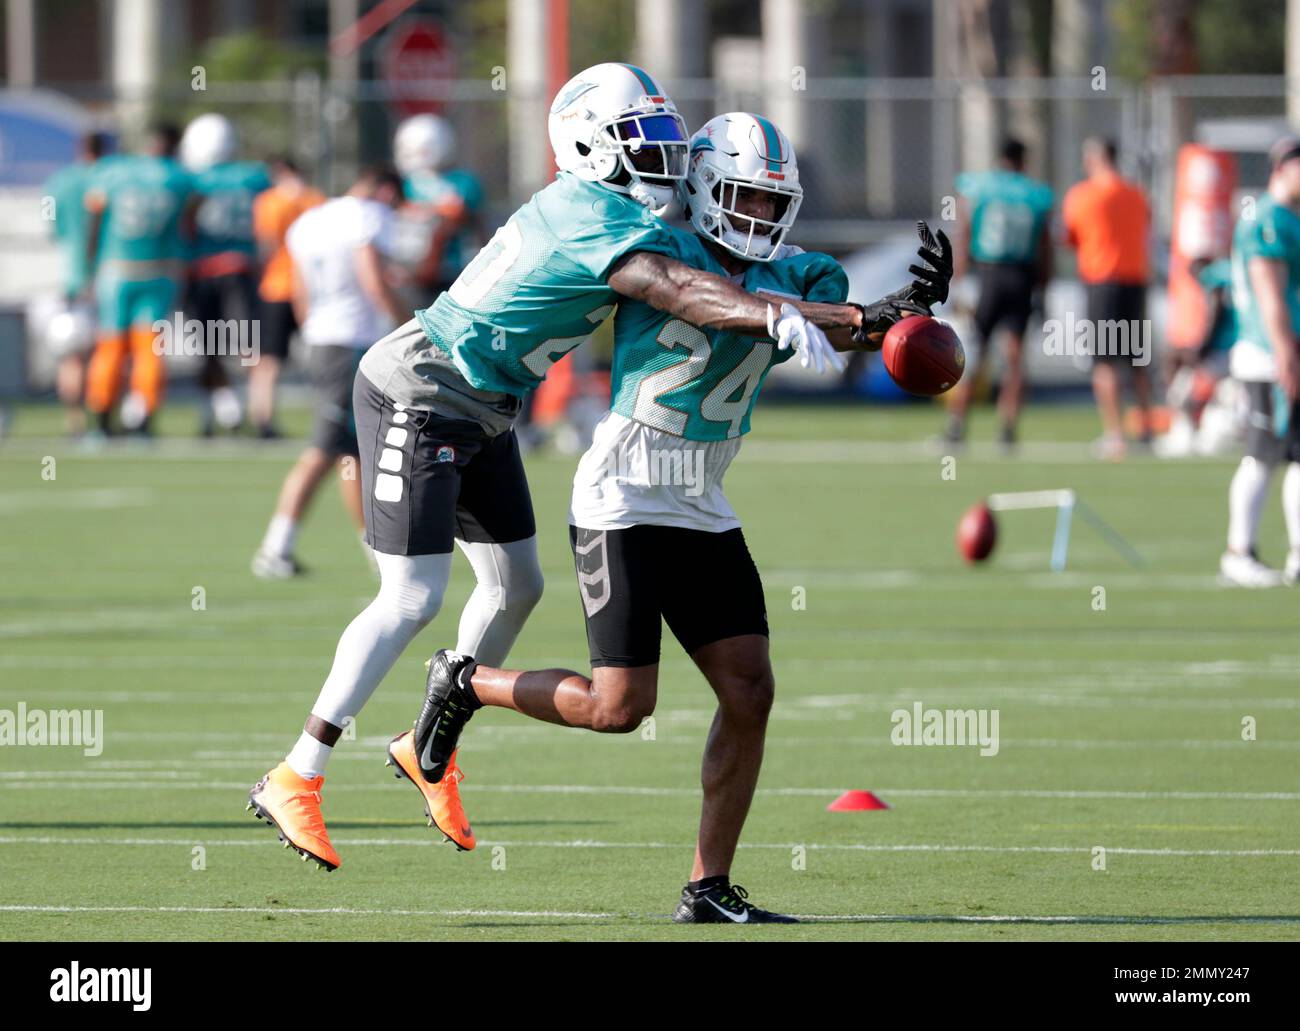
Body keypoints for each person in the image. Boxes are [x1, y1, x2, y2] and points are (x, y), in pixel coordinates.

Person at [246, 63, 926, 874]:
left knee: (517, 586)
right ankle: (297, 771)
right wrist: (798, 315)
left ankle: (431, 746)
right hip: (421, 386)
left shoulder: (634, 211)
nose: (662, 161)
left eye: (667, 144)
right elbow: (674, 286)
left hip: (488, 405)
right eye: (643, 143)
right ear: (587, 145)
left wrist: (872, 317)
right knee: (414, 594)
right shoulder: (587, 209)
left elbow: (722, 264)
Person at [391, 115, 951, 924]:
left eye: (771, 201)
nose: (758, 217)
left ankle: (708, 885)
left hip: (702, 502)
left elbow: (821, 320)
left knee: (750, 689)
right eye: (743, 197)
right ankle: (467, 678)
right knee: (621, 708)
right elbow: (723, 305)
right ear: (701, 191)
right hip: (623, 495)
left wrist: (894, 319)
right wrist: (812, 315)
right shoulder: (662, 253)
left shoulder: (806, 276)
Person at [252, 167, 407, 580]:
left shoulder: (311, 220)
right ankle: (275, 546)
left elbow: (299, 294)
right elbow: (373, 280)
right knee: (325, 450)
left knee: (352, 453)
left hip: (322, 339)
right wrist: (414, 325)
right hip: (351, 343)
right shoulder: (367, 217)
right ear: (386, 191)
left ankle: (374, 550)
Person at [1219, 136, 1300, 588]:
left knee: (1291, 457)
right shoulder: (1269, 219)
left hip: (1282, 350)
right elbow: (1269, 291)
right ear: (1282, 168)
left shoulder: (1286, 218)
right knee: (1263, 456)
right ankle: (1238, 551)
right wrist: (1285, 351)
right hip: (1268, 354)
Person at [82, 124, 193, 439]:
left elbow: (95, 217)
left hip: (116, 268)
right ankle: (143, 418)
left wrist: (90, 266)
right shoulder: (178, 177)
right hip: (160, 269)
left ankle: (102, 418)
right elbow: (190, 217)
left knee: (111, 345)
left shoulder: (113, 171)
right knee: (149, 349)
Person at [946, 137, 1053, 450]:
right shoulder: (1036, 194)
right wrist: (1044, 289)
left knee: (974, 353)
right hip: (1021, 276)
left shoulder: (979, 188)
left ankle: (956, 426)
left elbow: (964, 235)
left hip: (990, 276)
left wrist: (958, 280)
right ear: (1023, 161)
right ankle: (1007, 429)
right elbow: (1044, 247)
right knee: (1015, 358)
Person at [180, 113, 272, 436]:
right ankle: (254, 410)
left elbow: (183, 224)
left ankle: (220, 408)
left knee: (208, 346)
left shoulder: (190, 180)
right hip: (243, 269)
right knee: (250, 347)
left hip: (202, 271)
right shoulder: (254, 177)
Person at [1062, 137, 1152, 460]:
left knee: (1105, 361)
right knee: (1137, 361)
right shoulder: (1136, 194)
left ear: (1096, 158)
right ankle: (1146, 429)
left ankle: (1115, 435)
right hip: (1135, 282)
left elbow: (1070, 237)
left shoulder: (1082, 195)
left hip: (1102, 283)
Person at [250, 156, 325, 439]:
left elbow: (266, 244)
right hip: (310, 286)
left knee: (268, 359)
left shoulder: (270, 201)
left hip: (278, 285)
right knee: (320, 354)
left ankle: (263, 418)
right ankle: (327, 416)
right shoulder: (315, 200)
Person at [44, 131, 110, 437]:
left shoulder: (58, 181)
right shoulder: (110, 179)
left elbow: (52, 228)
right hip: (107, 276)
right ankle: (103, 418)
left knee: (71, 355)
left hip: (69, 277)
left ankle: (75, 422)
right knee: (104, 353)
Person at [391, 114, 485, 304]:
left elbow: (457, 216)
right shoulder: (406, 183)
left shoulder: (462, 181)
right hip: (413, 268)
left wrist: (426, 212)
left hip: (454, 268)